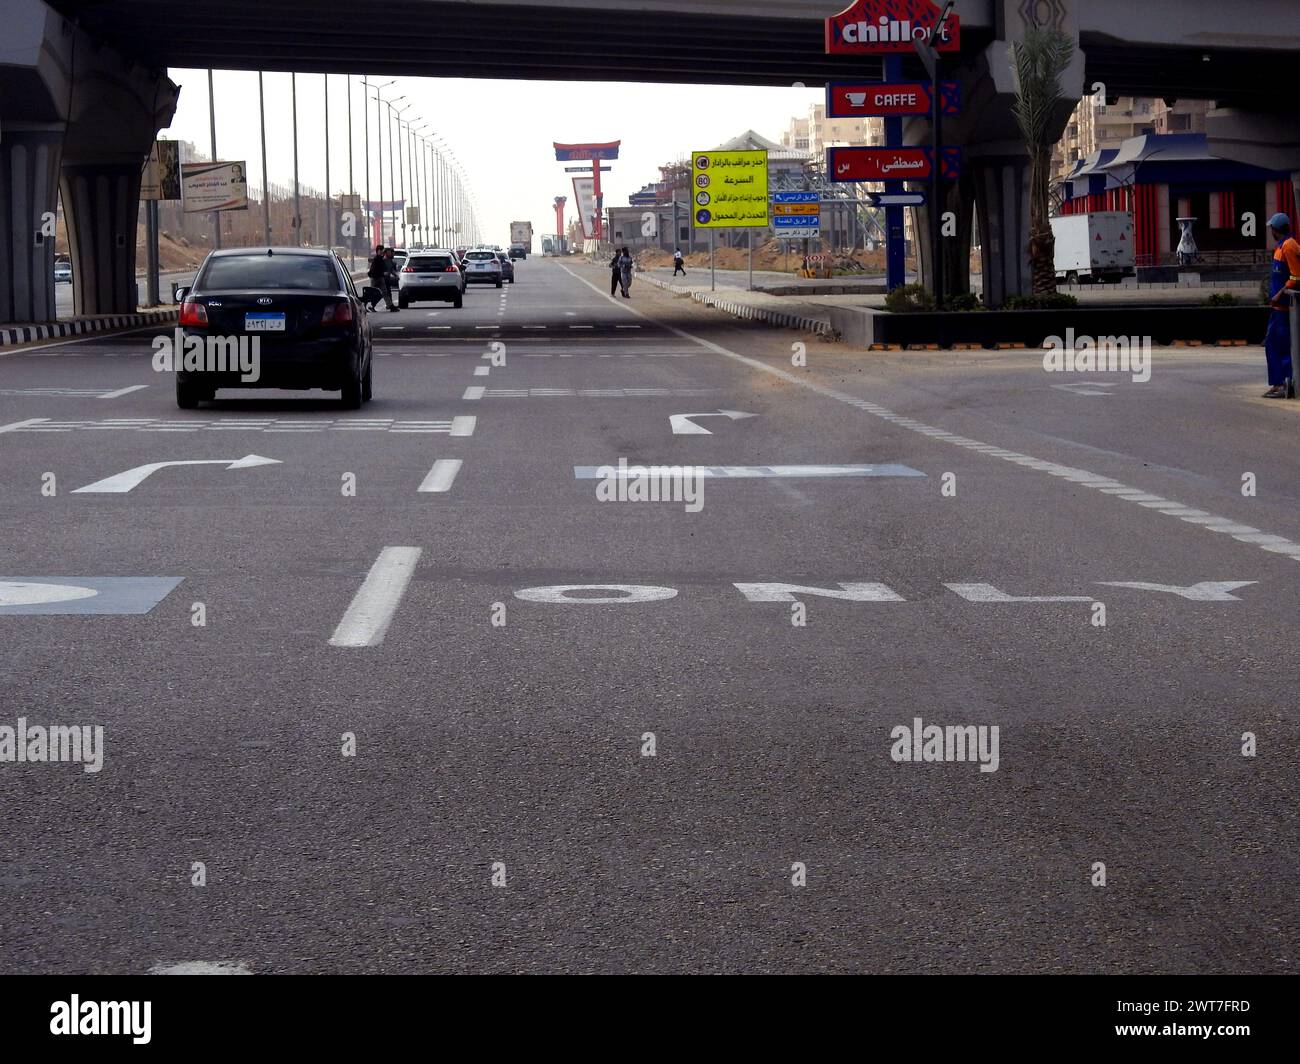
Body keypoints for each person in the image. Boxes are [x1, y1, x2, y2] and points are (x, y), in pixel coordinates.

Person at [1263, 213, 1300, 398]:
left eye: (1272, 228)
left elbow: (1296, 276)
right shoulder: (1281, 247)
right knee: (1272, 344)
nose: (1270, 231)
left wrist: (1279, 294)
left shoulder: (1290, 246)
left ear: (1276, 229)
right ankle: (1279, 383)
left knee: (1282, 346)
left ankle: (1284, 384)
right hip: (1277, 308)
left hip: (1284, 308)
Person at [365, 245, 386, 311]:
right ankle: (365, 305)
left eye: (382, 250)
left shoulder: (381, 258)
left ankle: (372, 306)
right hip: (374, 278)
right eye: (380, 250)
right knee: (372, 293)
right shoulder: (376, 259)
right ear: (377, 251)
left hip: (380, 278)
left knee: (382, 293)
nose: (381, 252)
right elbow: (373, 269)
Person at [382, 247, 400, 311]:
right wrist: (384, 273)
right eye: (389, 253)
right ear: (386, 253)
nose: (392, 254)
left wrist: (396, 275)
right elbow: (378, 270)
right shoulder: (382, 261)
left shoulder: (390, 261)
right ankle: (372, 306)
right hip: (381, 280)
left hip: (387, 279)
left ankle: (390, 305)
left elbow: (391, 270)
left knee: (388, 292)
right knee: (382, 293)